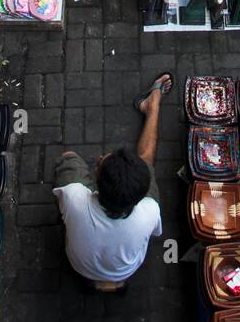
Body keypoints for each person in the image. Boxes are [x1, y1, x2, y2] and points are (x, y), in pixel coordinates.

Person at [53, 73, 172, 291]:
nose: (100, 158)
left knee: (69, 158)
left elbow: (69, 170)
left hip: (80, 268)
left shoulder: (74, 197)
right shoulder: (150, 210)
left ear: (95, 181)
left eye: (100, 162)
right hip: (126, 271)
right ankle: (152, 107)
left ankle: (151, 105)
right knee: (145, 164)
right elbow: (154, 232)